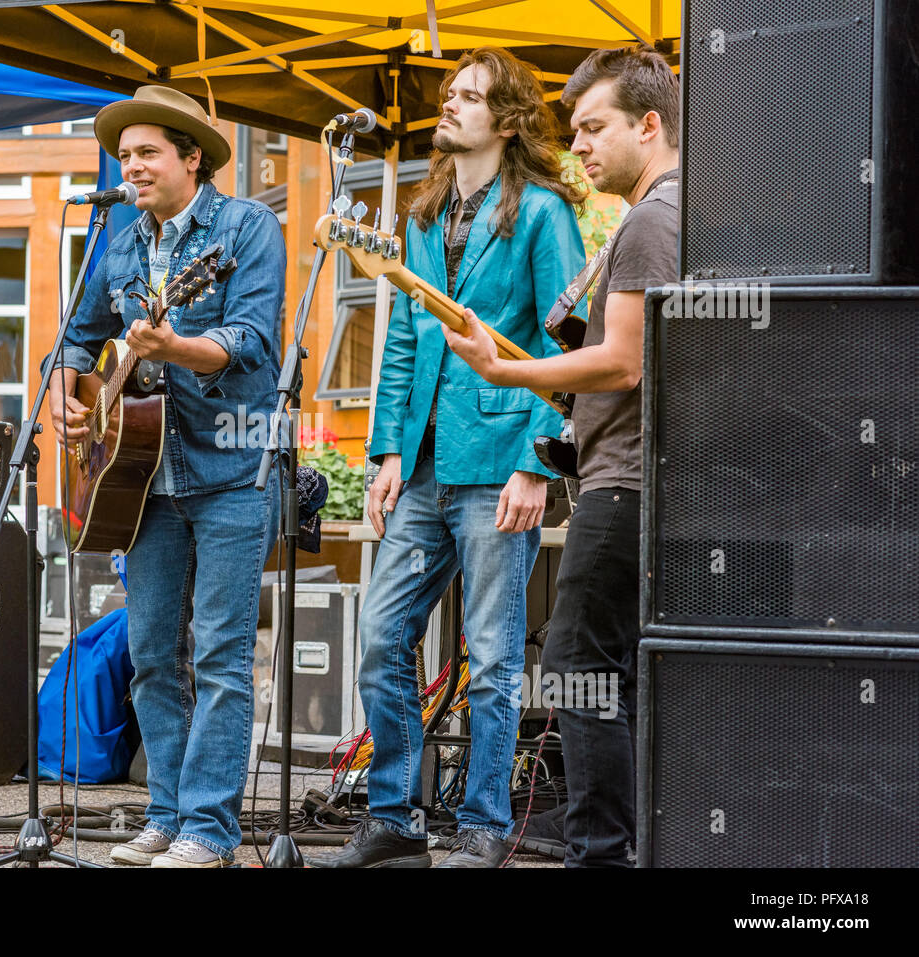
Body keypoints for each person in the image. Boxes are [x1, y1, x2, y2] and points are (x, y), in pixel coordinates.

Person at [309, 47, 586, 868]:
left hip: (503, 457)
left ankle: (486, 823)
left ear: (506, 119)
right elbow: (403, 335)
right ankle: (395, 814)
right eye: (450, 93)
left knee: (495, 656)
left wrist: (540, 460)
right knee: (382, 635)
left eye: (470, 96)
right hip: (424, 462)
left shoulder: (542, 213)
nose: (450, 105)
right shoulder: (422, 217)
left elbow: (564, 341)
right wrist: (386, 447)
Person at [442, 45, 680, 867]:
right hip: (633, 476)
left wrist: (505, 368)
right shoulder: (665, 215)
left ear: (650, 126)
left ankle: (599, 855)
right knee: (615, 676)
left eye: (593, 127)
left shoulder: (652, 220)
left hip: (624, 487)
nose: (577, 146)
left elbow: (622, 361)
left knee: (581, 672)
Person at [48, 86, 285, 867]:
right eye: (125, 155)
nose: (133, 166)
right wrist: (70, 404)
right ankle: (167, 811)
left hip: (229, 470)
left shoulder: (248, 228)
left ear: (193, 158)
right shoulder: (116, 236)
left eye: (148, 152)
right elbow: (77, 340)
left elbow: (249, 341)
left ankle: (210, 828)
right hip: (140, 479)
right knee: (152, 651)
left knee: (219, 652)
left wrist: (171, 345)